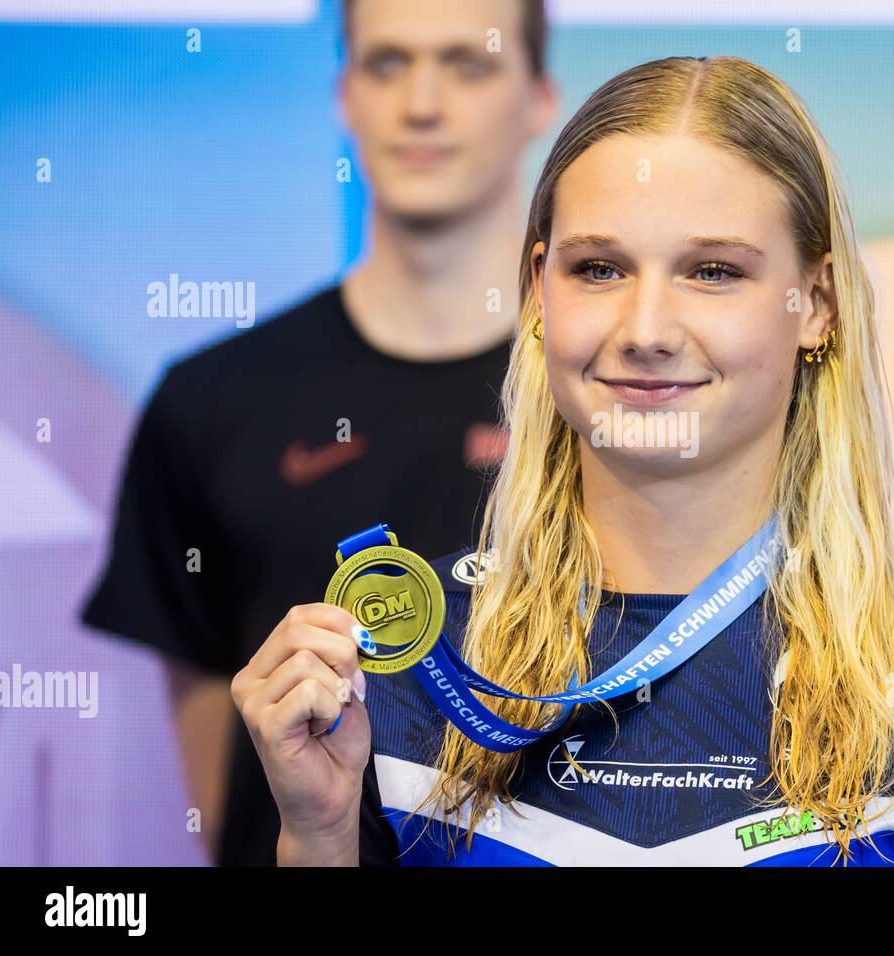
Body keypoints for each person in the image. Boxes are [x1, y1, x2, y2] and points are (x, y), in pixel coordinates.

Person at [232, 54, 894, 866]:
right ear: (539, 292)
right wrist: (317, 834)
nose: (646, 331)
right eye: (600, 269)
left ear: (818, 305)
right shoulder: (403, 657)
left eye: (715, 271)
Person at [81, 0, 558, 865]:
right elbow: (221, 768)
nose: (422, 102)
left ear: (538, 100)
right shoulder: (212, 399)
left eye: (467, 63)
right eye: (387, 64)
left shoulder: (600, 397)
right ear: (344, 94)